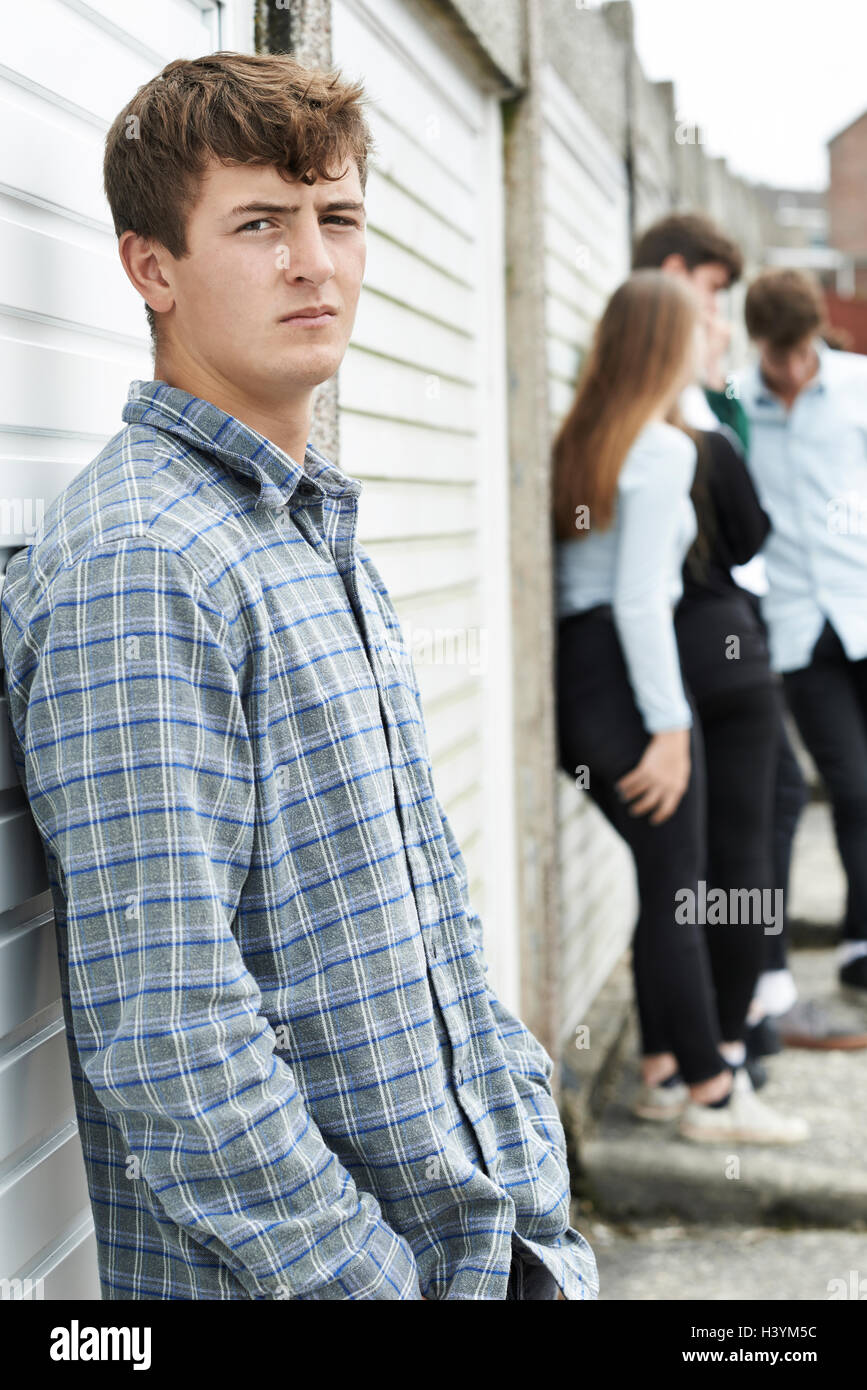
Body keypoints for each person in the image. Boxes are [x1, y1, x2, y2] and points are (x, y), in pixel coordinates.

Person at [0, 52, 592, 1301]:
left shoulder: (303, 529)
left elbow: (433, 927)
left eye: (337, 218)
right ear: (150, 267)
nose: (313, 261)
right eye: (260, 223)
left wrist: (535, 1187)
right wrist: (371, 1283)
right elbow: (172, 1035)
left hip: (483, 1251)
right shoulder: (147, 563)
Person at [553, 269, 808, 1144]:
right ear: (666, 346)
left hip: (578, 678)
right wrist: (668, 728)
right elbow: (638, 601)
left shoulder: (588, 433)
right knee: (683, 889)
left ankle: (667, 1070)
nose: (714, 337)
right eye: (699, 324)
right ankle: (711, 1094)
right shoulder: (662, 450)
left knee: (670, 883)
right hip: (623, 681)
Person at [633, 213, 813, 1055]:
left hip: (687, 650)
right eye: (709, 298)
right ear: (674, 278)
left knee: (694, 857)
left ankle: (689, 1048)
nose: (716, 319)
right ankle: (730, 1046)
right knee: (734, 851)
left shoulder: (630, 399)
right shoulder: (682, 421)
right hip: (714, 644)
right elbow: (744, 535)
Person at [737, 268, 867, 1023]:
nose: (788, 370)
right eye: (775, 355)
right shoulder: (734, 403)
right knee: (850, 783)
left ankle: (860, 942)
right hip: (793, 624)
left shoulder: (857, 386)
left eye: (799, 353)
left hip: (863, 605)